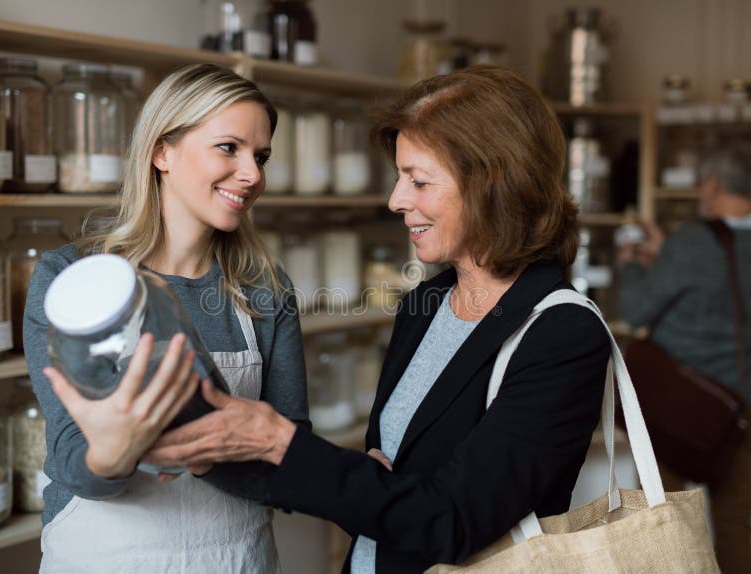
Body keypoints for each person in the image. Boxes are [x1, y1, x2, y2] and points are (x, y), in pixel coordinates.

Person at [141, 65, 612, 573]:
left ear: (495, 184)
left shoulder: (563, 332)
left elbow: (450, 520)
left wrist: (279, 443)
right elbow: (381, 480)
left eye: (419, 180)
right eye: (399, 177)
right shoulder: (424, 304)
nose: (396, 200)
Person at [24, 63, 309, 573]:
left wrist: (200, 453)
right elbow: (72, 459)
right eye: (229, 148)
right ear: (162, 152)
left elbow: (289, 458)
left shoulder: (265, 290)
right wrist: (111, 454)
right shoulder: (73, 280)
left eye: (260, 156)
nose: (253, 175)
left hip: (235, 560)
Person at [618, 145, 751, 574]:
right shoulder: (693, 245)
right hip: (740, 413)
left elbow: (638, 311)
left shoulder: (691, 241)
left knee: (665, 521)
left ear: (711, 186)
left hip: (676, 408)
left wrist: (633, 266)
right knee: (738, 529)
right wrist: (668, 253)